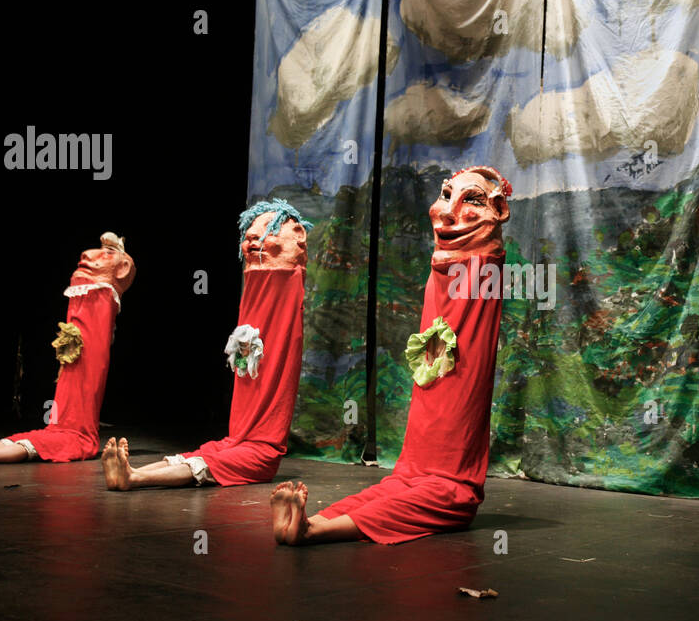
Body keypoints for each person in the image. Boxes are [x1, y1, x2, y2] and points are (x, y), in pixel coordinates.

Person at [272, 166, 511, 544]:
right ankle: (317, 521)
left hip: (451, 474)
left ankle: (315, 526)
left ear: (498, 213)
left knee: (432, 490)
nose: (450, 211)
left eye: (474, 201)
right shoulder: (443, 270)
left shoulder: (485, 269)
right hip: (421, 467)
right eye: (447, 195)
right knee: (407, 485)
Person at [101, 199, 308, 489]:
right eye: (249, 232)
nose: (251, 237)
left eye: (265, 232)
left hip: (260, 448)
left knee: (223, 455)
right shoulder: (256, 281)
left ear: (297, 236)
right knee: (214, 449)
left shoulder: (289, 279)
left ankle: (135, 476)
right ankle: (135, 471)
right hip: (241, 439)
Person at [0, 232, 135, 464]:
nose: (89, 255)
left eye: (108, 253)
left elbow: (120, 274)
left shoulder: (109, 288)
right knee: (62, 436)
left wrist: (116, 252)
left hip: (72, 421)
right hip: (72, 424)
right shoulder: (87, 292)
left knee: (51, 436)